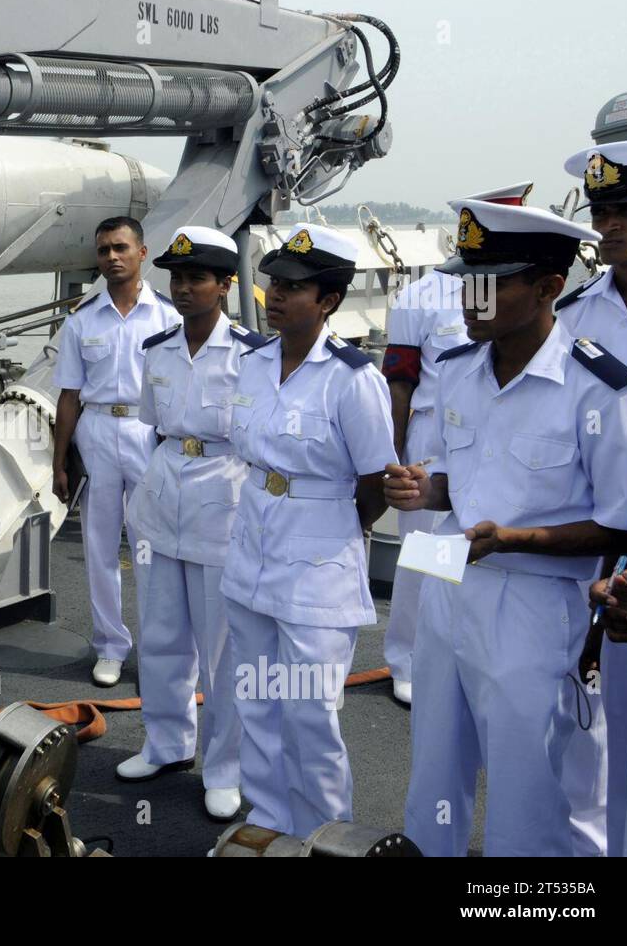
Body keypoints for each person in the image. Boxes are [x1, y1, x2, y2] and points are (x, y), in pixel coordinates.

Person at [389, 199, 627, 856]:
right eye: (464, 278)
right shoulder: (458, 371)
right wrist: (427, 487)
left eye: (488, 281)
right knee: (434, 776)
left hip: (537, 606)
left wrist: (514, 539)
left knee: (528, 798)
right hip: (451, 588)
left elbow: (622, 526)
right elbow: (461, 478)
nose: (468, 298)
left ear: (548, 287)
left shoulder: (602, 392)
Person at [220, 223, 395, 838]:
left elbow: (372, 487)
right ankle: (269, 819)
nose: (275, 296)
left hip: (318, 568)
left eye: (293, 288)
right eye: (272, 283)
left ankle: (325, 836)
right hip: (252, 553)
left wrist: (329, 533)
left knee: (310, 714)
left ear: (328, 301)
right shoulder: (253, 364)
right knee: (259, 702)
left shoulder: (354, 380)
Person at [114, 227, 267, 820]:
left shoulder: (253, 355)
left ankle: (225, 767)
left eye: (196, 278)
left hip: (222, 497)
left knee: (222, 648)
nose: (182, 288)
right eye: (176, 278)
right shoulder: (157, 348)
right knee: (160, 633)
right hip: (163, 490)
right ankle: (167, 742)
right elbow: (155, 422)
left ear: (225, 286)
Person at [380, 183, 532, 706]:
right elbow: (399, 380)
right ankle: (409, 658)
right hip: (431, 435)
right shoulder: (421, 295)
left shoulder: (523, 291)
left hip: (495, 433)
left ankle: (472, 654)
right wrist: (395, 458)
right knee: (424, 556)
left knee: (484, 551)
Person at [556, 140, 627, 857]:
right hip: (611, 546)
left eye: (625, 209)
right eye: (602, 211)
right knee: (613, 728)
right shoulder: (575, 314)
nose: (608, 225)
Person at [52, 216, 179, 686]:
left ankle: (160, 648)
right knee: (99, 546)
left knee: (152, 547)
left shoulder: (169, 318)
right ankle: (109, 645)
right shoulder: (81, 322)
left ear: (142, 253)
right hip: (98, 430)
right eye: (104, 250)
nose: (112, 257)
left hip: (149, 434)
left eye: (121, 247)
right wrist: (59, 460)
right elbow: (68, 395)